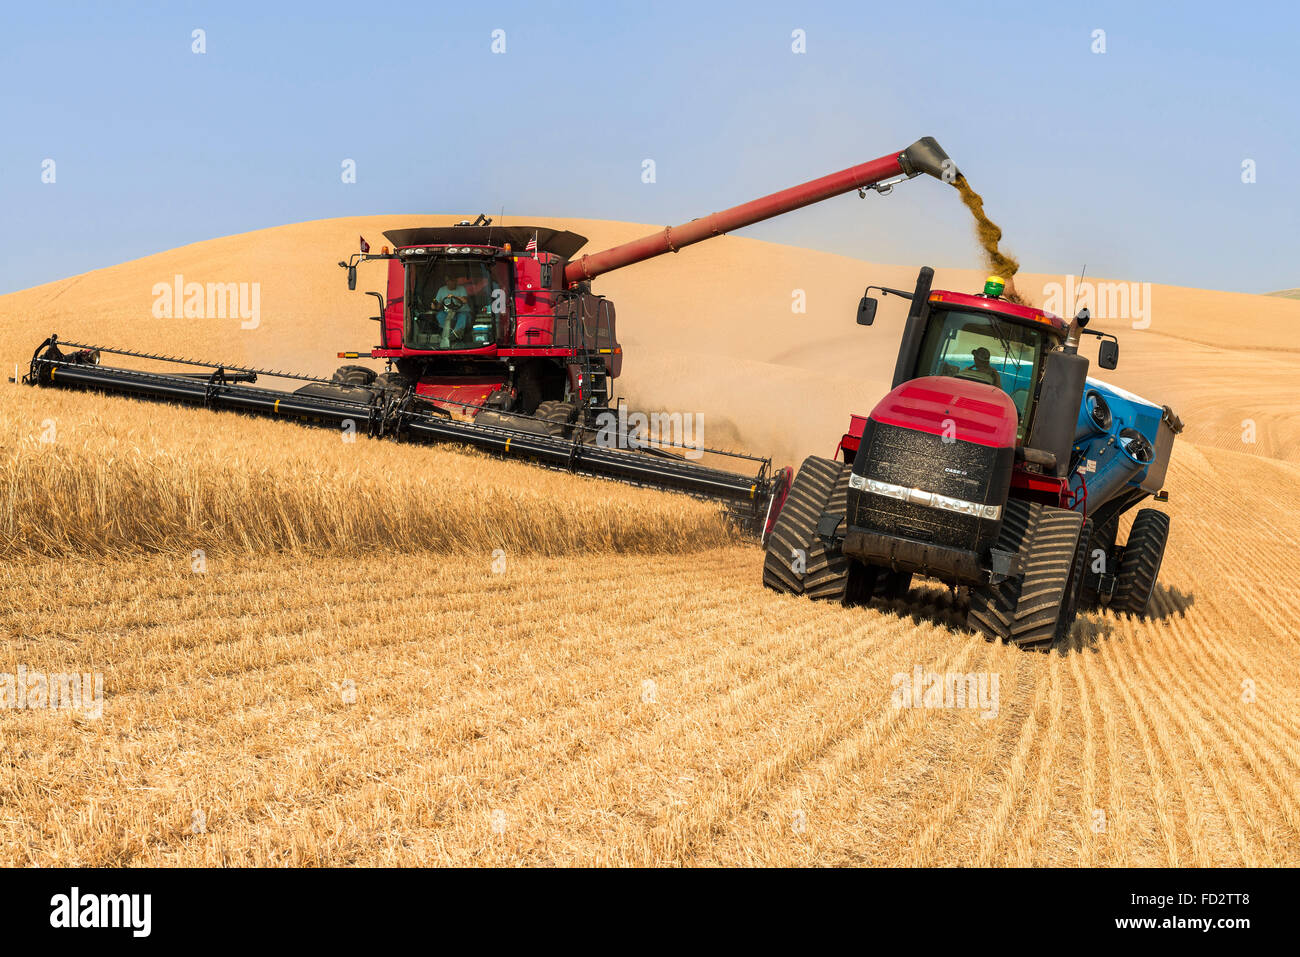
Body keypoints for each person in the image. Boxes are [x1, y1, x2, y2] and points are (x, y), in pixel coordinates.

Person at [433, 274, 471, 348]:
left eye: (452, 281)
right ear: (446, 282)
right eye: (448, 281)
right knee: (439, 315)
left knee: (463, 316)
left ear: (456, 281)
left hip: (461, 312)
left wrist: (454, 297)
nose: (450, 283)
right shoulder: (442, 290)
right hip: (448, 313)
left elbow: (465, 300)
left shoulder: (461, 288)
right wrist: (434, 305)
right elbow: (437, 305)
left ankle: (456, 334)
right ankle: (447, 332)